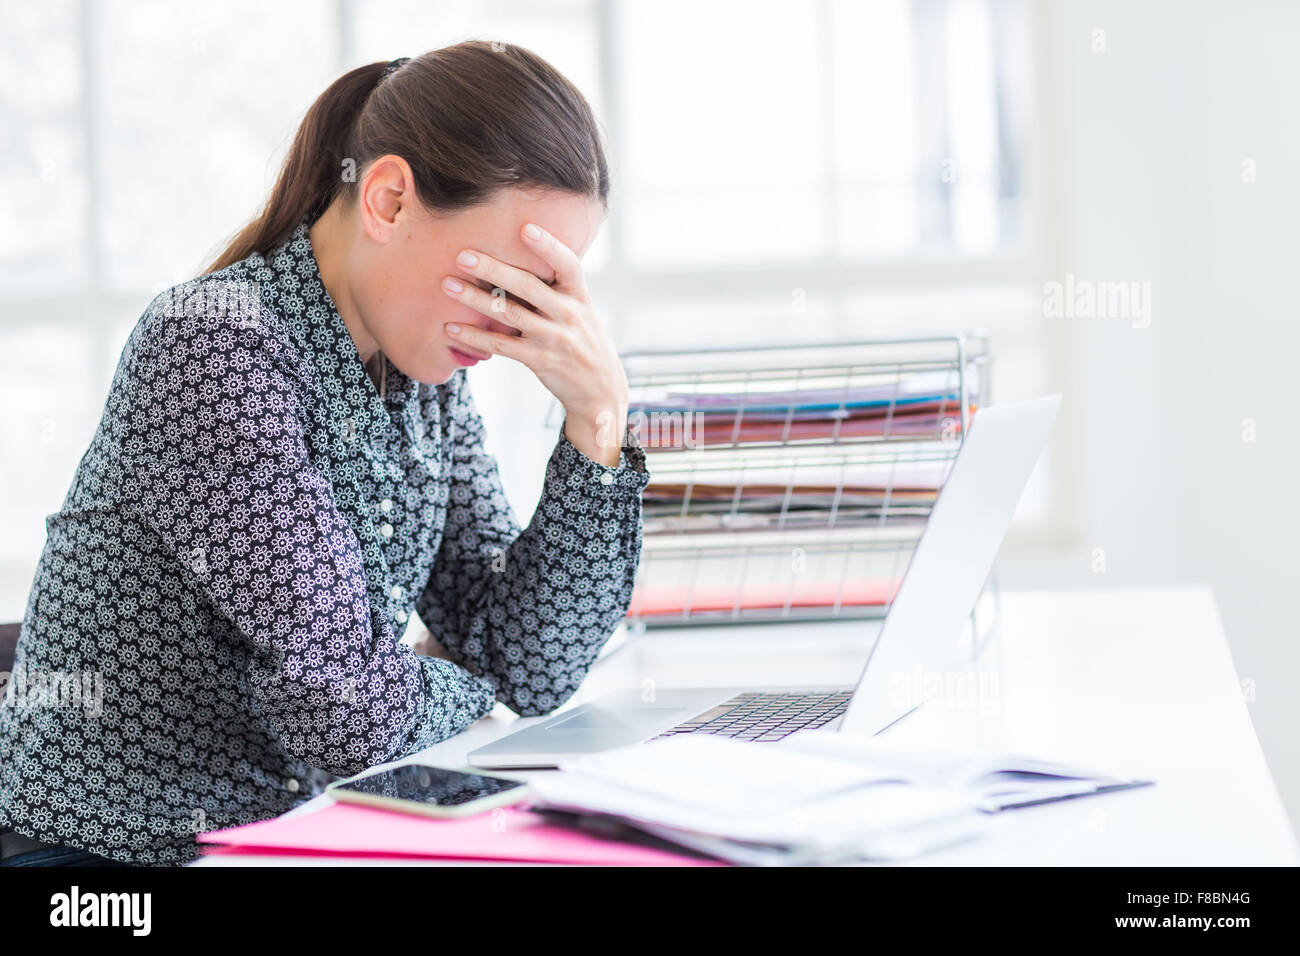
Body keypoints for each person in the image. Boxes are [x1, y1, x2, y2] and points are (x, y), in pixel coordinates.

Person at [0, 41, 649, 866]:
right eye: (500, 286)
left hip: (282, 840)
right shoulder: (214, 349)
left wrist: (597, 421)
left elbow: (528, 661)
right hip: (108, 860)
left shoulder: (426, 373)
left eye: (544, 296)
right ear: (385, 200)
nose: (517, 327)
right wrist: (463, 683)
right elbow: (346, 710)